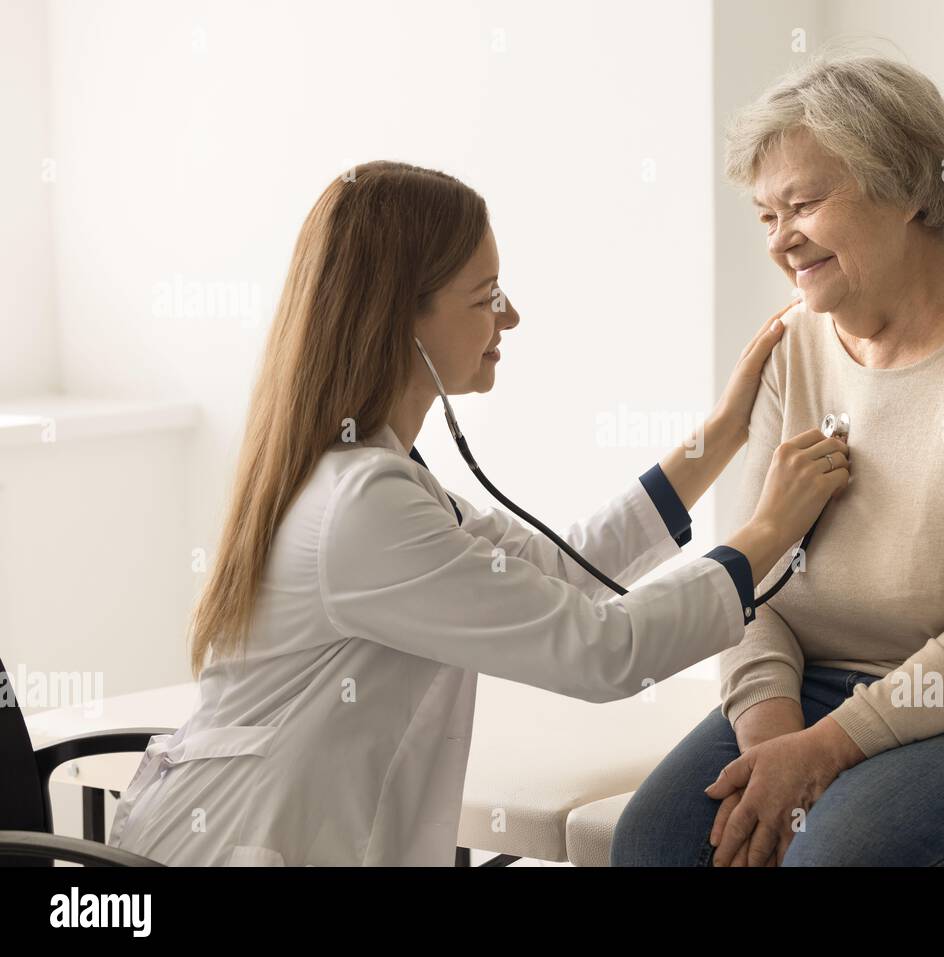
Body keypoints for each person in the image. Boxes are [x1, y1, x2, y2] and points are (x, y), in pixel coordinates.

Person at [106, 161, 850, 866]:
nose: (512, 316)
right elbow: (602, 650)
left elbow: (561, 568)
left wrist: (722, 432)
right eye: (485, 295)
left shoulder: (376, 476)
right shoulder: (363, 506)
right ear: (403, 319)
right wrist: (767, 533)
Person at [612, 54, 944, 867]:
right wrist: (777, 742)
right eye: (765, 215)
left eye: (804, 204)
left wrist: (824, 752)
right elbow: (753, 584)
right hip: (819, 688)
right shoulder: (795, 343)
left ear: (908, 187)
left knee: (829, 856)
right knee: (654, 843)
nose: (781, 238)